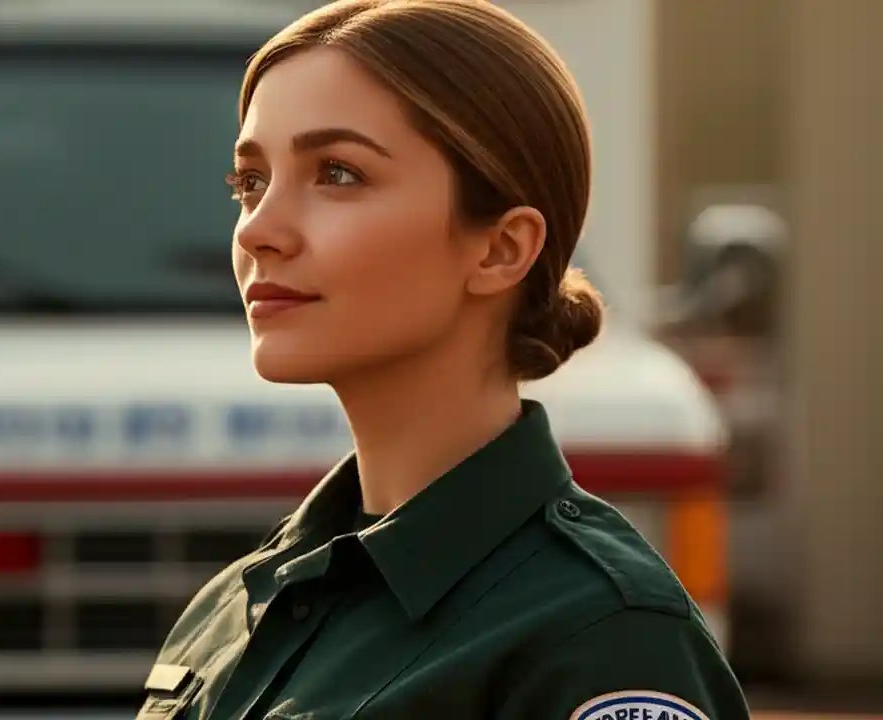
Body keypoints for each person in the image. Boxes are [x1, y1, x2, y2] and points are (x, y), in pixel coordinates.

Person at [138, 1, 750, 718]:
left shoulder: (602, 638)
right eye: (250, 182)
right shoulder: (233, 610)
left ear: (501, 249)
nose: (258, 230)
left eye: (337, 173)